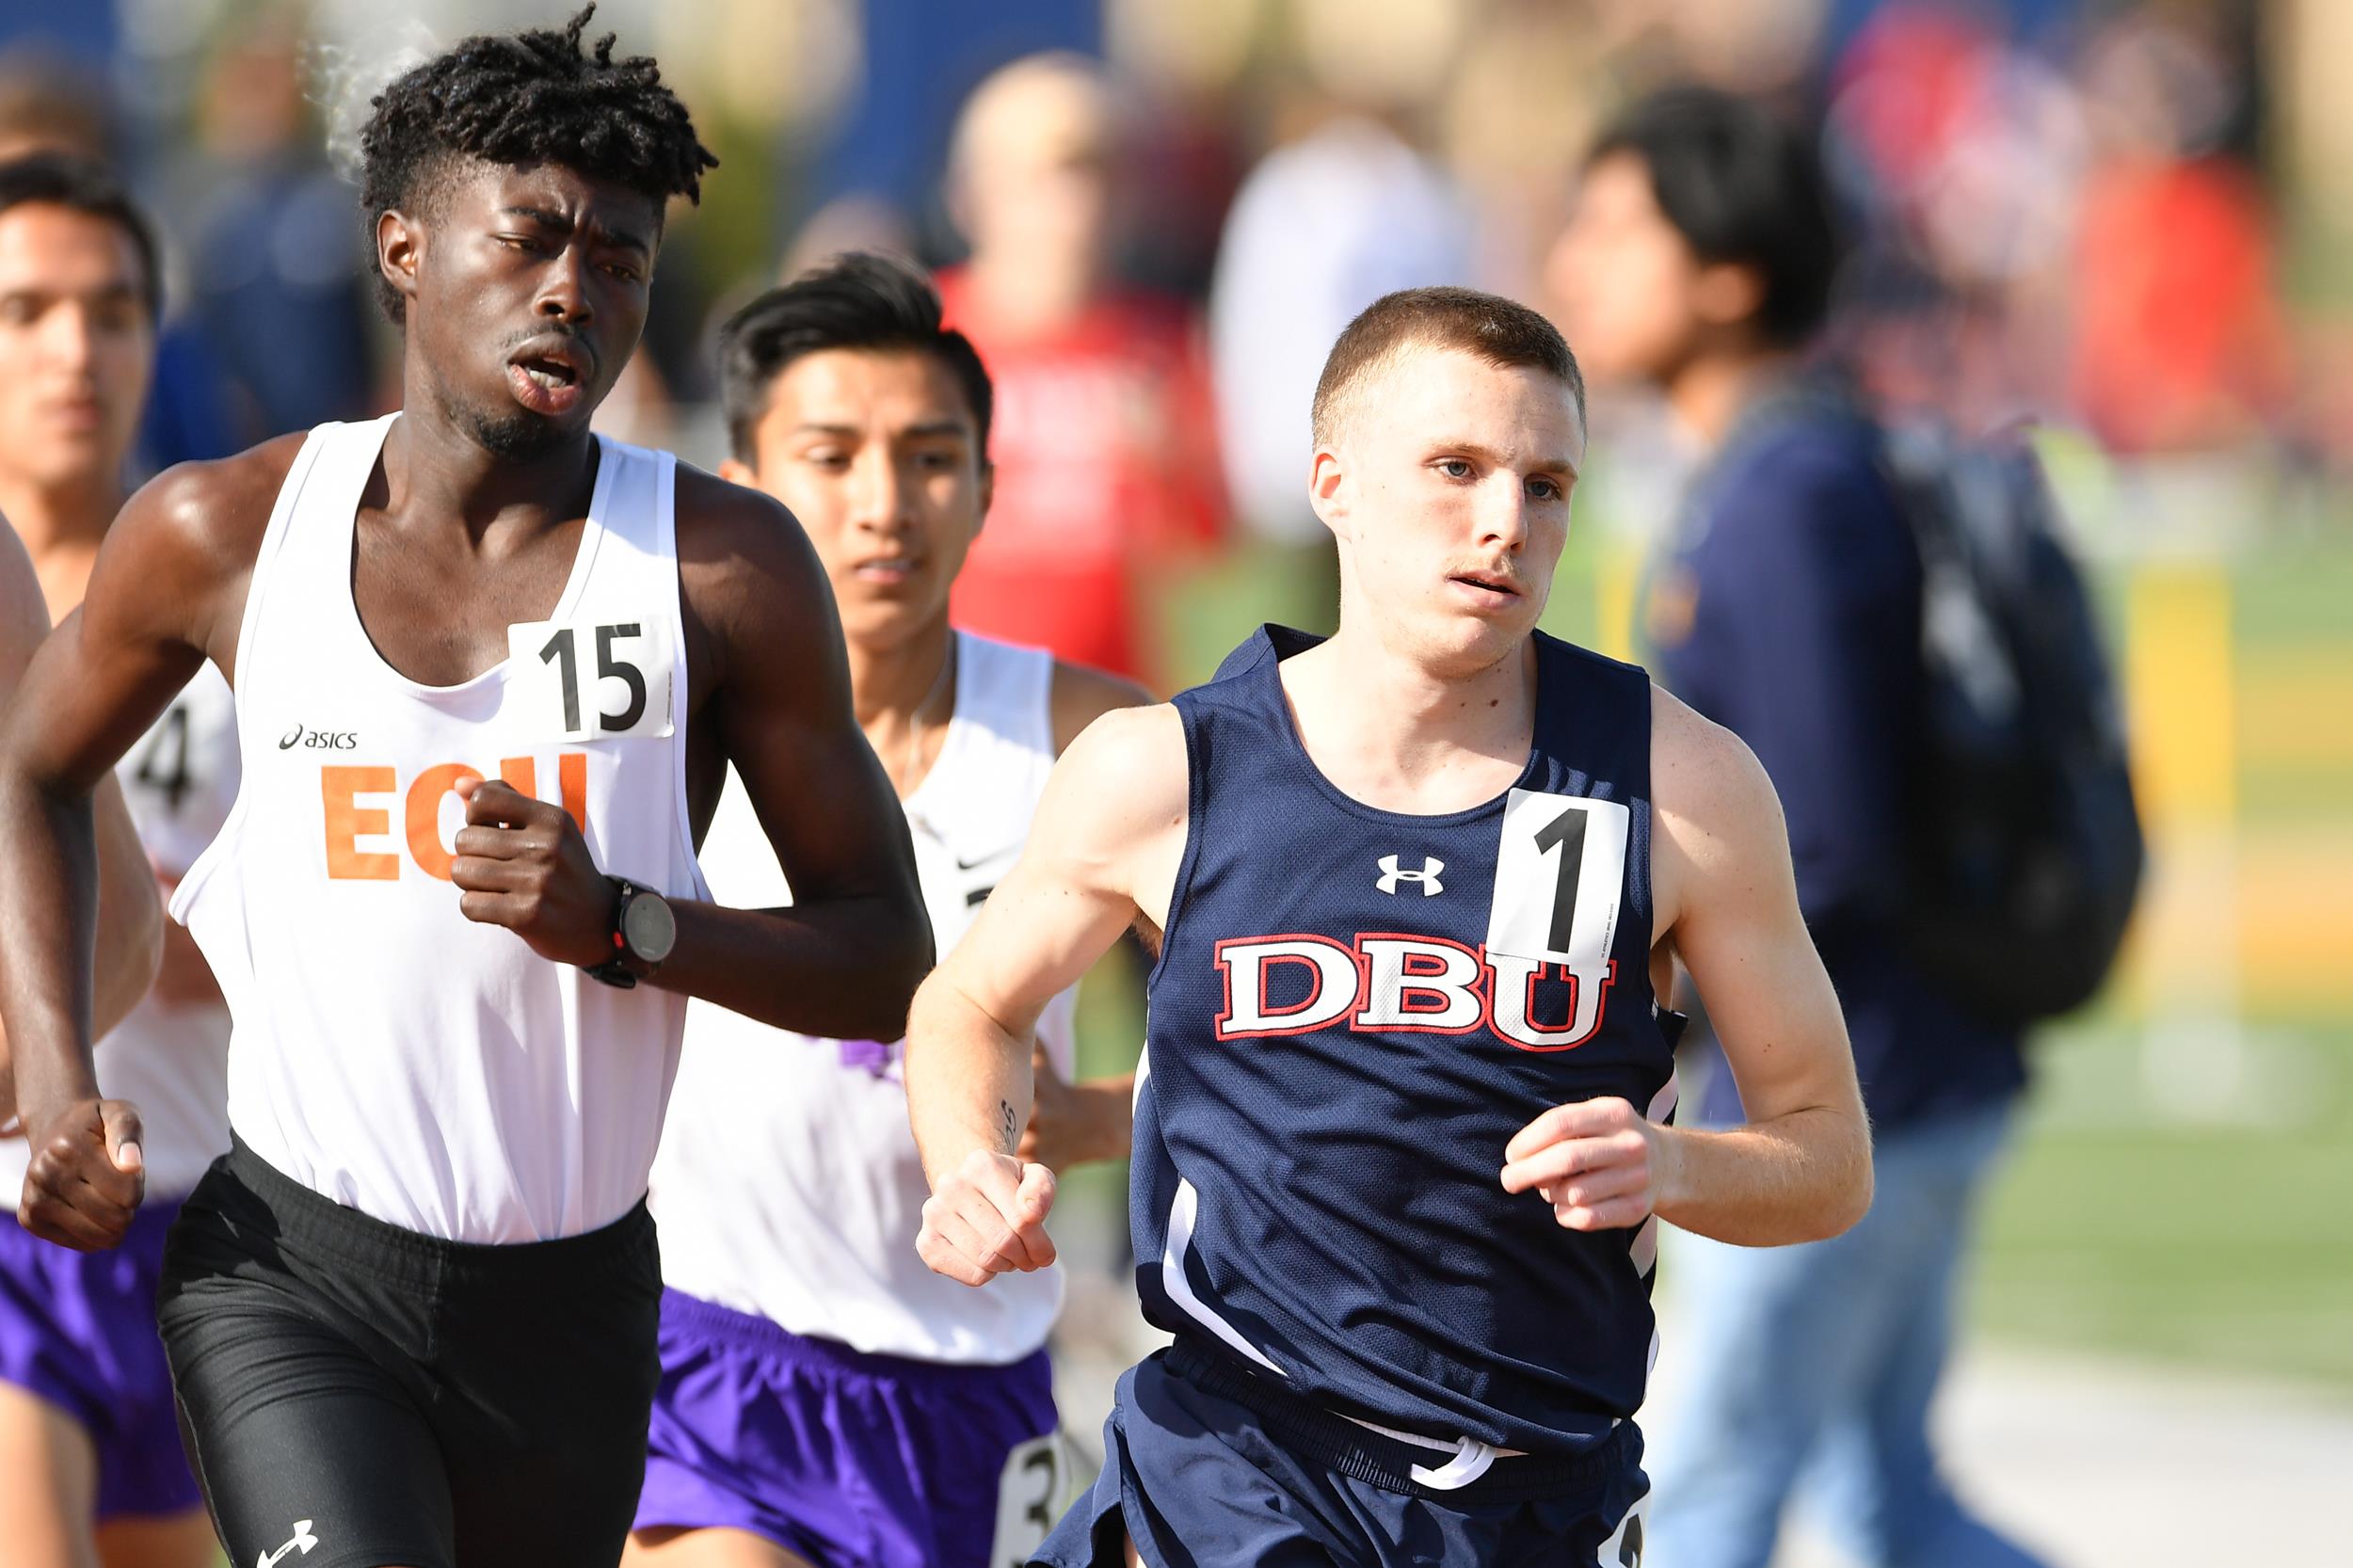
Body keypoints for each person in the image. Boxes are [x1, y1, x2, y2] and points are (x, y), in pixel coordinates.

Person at [0, 13, 931, 1568]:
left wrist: (625, 923)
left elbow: (885, 953)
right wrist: (46, 1075)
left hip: (569, 1310)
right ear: (405, 247)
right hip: (289, 1272)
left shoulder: (724, 569)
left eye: (623, 259)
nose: (578, 287)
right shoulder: (227, 531)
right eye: (533, 237)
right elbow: (30, 765)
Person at [904, 284, 1874, 1566]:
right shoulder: (1166, 770)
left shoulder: (1676, 787)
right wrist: (970, 1160)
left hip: (1536, 1488)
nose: (1503, 523)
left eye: (1545, 485)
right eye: (1456, 468)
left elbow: (1828, 1154)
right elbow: (967, 1002)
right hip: (1236, 1449)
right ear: (1332, 483)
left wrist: (1674, 1164)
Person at [1548, 86, 2045, 1568]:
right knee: (1891, 1501)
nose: (1575, 262)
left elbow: (1819, 841)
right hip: (1910, 1061)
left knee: (1707, 1502)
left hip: (1846, 1081)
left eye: (1613, 227)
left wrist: (1641, 986)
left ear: (1729, 273)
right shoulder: (1771, 468)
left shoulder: (1783, 491)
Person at [627, 252, 1147, 1568]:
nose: (884, 505)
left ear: (984, 487)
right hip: (711, 1363)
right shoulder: (654, 733)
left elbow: (1276, 1032)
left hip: (981, 1390)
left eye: (928, 457)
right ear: (741, 487)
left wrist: (1084, 1123)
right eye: (832, 453)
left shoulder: (1100, 744)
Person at [0, 152, 229, 1568]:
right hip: (20, 1210)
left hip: (213, 1221)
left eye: (113, 308)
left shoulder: (248, 591)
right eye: (24, 308)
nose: (75, 348)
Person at [932, 53, 1224, 684]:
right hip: (948, 715)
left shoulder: (1163, 345)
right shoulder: (914, 341)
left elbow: (1209, 550)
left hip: (1111, 718)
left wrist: (1171, 465)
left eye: (1102, 174)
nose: (1076, 204)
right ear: (972, 193)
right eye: (1048, 175)